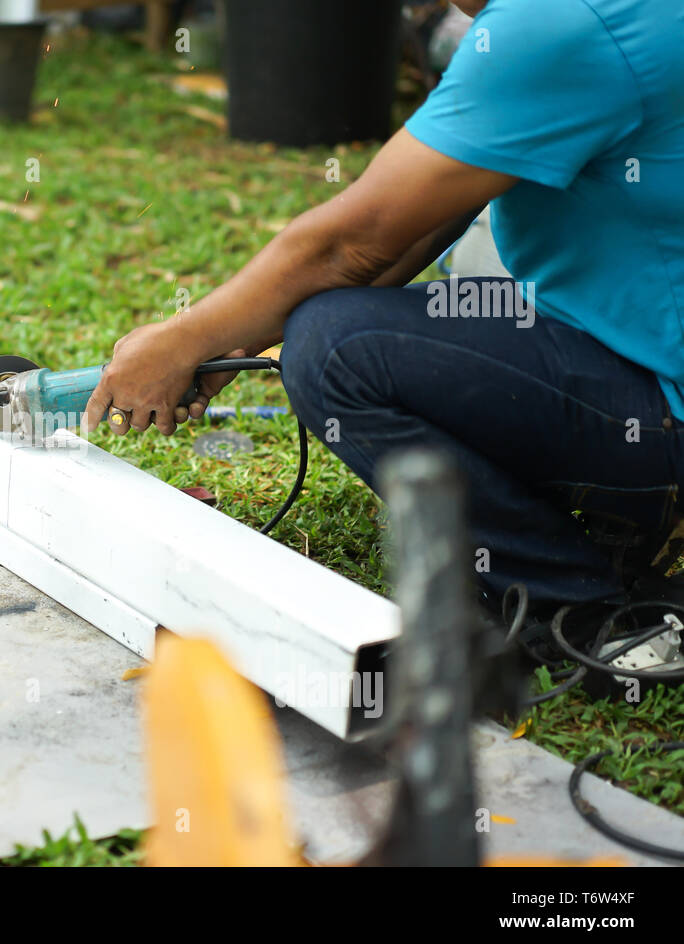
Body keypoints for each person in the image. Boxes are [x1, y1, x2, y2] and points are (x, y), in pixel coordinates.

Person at [82, 0, 684, 614]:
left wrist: (182, 338)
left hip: (663, 401)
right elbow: (417, 223)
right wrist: (244, 337)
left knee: (335, 349)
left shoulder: (556, 23)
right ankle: (626, 516)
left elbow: (354, 241)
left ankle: (581, 610)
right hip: (633, 355)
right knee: (346, 329)